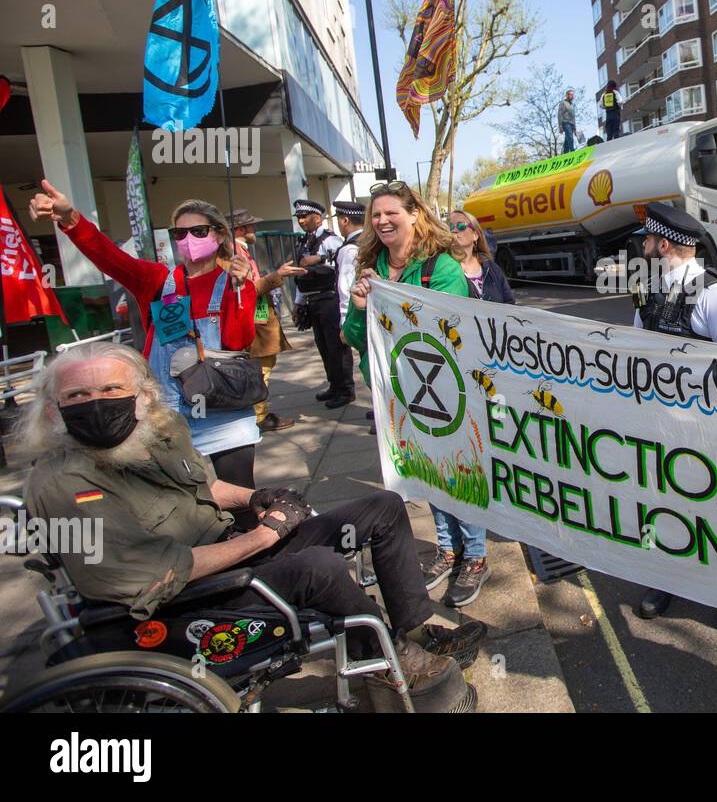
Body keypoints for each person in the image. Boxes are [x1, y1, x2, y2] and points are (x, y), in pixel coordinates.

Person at [19, 342, 485, 711]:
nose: (96, 404)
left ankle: (414, 632)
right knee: (320, 566)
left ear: (142, 396)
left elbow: (205, 486)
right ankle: (393, 668)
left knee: (382, 507)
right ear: (53, 409)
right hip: (185, 598)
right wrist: (266, 535)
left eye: (110, 391)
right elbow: (152, 577)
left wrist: (256, 498)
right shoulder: (63, 484)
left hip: (231, 549)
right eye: (77, 396)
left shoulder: (156, 431)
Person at [29, 181, 261, 489]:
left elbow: (237, 341)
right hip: (166, 413)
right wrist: (71, 219)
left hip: (223, 409)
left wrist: (241, 289)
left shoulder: (233, 280)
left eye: (199, 231)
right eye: (180, 233)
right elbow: (110, 257)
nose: (189, 239)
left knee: (242, 497)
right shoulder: (156, 280)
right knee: (180, 503)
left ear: (219, 235)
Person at [629, 203, 717, 632]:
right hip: (657, 425)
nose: (642, 247)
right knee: (662, 503)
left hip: (708, 430)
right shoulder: (647, 291)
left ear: (662, 244)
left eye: (646, 240)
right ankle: (667, 576)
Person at [420, 209, 516, 606]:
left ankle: (474, 555)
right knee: (438, 465)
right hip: (444, 381)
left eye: (463, 225)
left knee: (473, 463)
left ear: (476, 235)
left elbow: (511, 315)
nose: (455, 230)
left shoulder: (492, 273)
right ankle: (449, 548)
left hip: (488, 382)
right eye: (450, 225)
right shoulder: (432, 270)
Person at [343, 180, 467, 448]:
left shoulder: (442, 267)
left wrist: (386, 300)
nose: (382, 221)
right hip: (387, 391)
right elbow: (354, 338)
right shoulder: (368, 268)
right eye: (376, 215)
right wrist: (360, 308)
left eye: (391, 213)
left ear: (414, 215)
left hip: (436, 394)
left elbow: (444, 337)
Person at [227, 209, 295, 433]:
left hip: (258, 319)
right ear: (240, 229)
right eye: (251, 226)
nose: (255, 230)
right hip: (253, 323)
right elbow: (246, 291)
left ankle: (259, 413)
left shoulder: (239, 251)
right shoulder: (233, 254)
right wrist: (278, 275)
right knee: (260, 370)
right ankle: (259, 416)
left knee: (263, 368)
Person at [292, 200, 353, 409]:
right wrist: (298, 304)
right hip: (312, 300)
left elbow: (340, 258)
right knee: (323, 346)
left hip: (329, 300)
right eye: (298, 218)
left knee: (336, 346)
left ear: (317, 218)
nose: (301, 221)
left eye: (305, 217)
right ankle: (334, 385)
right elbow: (299, 275)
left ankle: (346, 389)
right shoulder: (304, 242)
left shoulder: (331, 240)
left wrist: (318, 258)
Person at [334, 200, 367, 326]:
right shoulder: (370, 240)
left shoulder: (348, 249)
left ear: (345, 221)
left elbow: (346, 287)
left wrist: (345, 321)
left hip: (355, 313)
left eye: (338, 220)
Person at [558, 88, 577, 153]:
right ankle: (572, 151)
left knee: (567, 141)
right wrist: (560, 126)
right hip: (566, 123)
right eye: (570, 94)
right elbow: (559, 114)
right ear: (566, 95)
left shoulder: (572, 105)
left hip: (571, 124)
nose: (571, 96)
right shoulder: (563, 103)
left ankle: (565, 154)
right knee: (570, 138)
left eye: (572, 95)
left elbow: (573, 117)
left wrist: (575, 128)